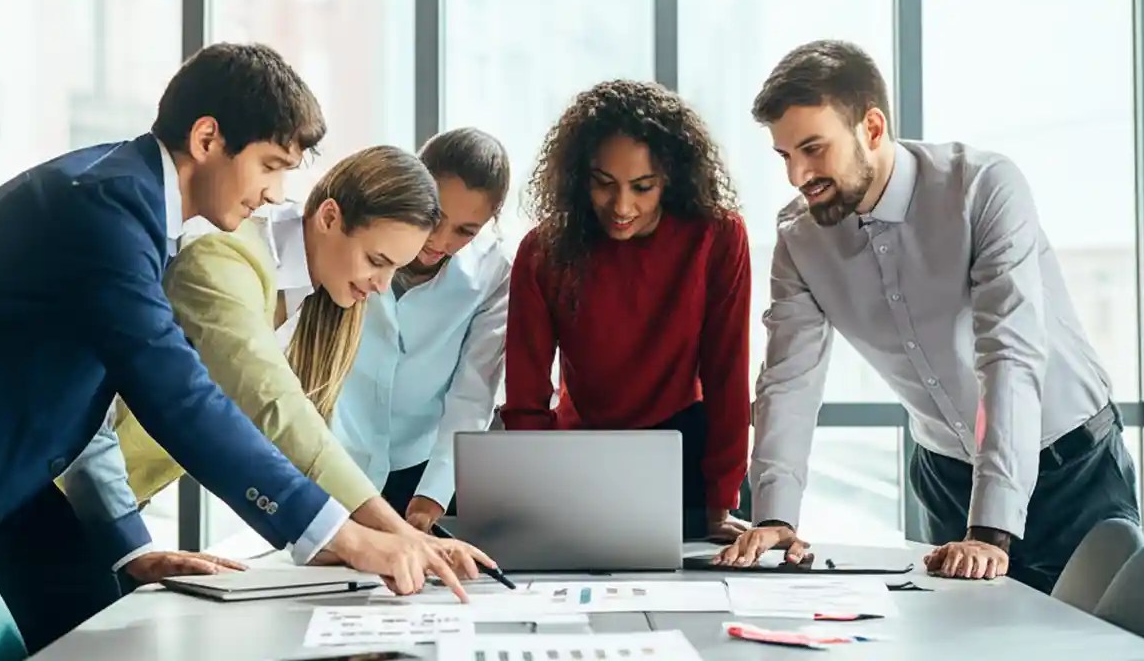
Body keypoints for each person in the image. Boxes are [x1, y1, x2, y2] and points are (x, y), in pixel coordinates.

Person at [0, 42, 477, 654]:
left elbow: (84, 400)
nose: (275, 193)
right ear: (207, 138)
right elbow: (180, 398)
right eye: (269, 166)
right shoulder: (108, 212)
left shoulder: (128, 206)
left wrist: (131, 547)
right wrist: (339, 535)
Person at [714, 40, 1140, 593]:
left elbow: (1008, 354)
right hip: (947, 477)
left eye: (813, 148)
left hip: (1071, 466)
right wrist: (775, 517)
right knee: (965, 635)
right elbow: (788, 380)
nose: (798, 174)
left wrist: (990, 531)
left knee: (1086, 637)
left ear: (871, 127)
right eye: (785, 155)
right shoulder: (801, 239)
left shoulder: (982, 188)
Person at [61, 144, 491, 606]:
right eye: (376, 261)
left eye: (395, 270)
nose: (382, 286)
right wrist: (398, 534)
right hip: (57, 491)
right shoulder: (226, 256)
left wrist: (399, 539)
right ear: (329, 217)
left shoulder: (317, 301)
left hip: (109, 507)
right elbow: (276, 409)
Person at [501, 80, 753, 541]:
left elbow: (727, 372)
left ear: (671, 178)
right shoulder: (544, 250)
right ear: (580, 176)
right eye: (603, 184)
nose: (621, 206)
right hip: (583, 451)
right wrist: (531, 495)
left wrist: (721, 501)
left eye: (642, 187)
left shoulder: (717, 236)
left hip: (690, 452)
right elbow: (525, 396)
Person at [332, 128, 512, 532]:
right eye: (435, 217)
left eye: (466, 231)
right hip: (336, 457)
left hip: (421, 466)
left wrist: (434, 495)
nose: (440, 241)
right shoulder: (358, 239)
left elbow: (473, 392)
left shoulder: (492, 273)